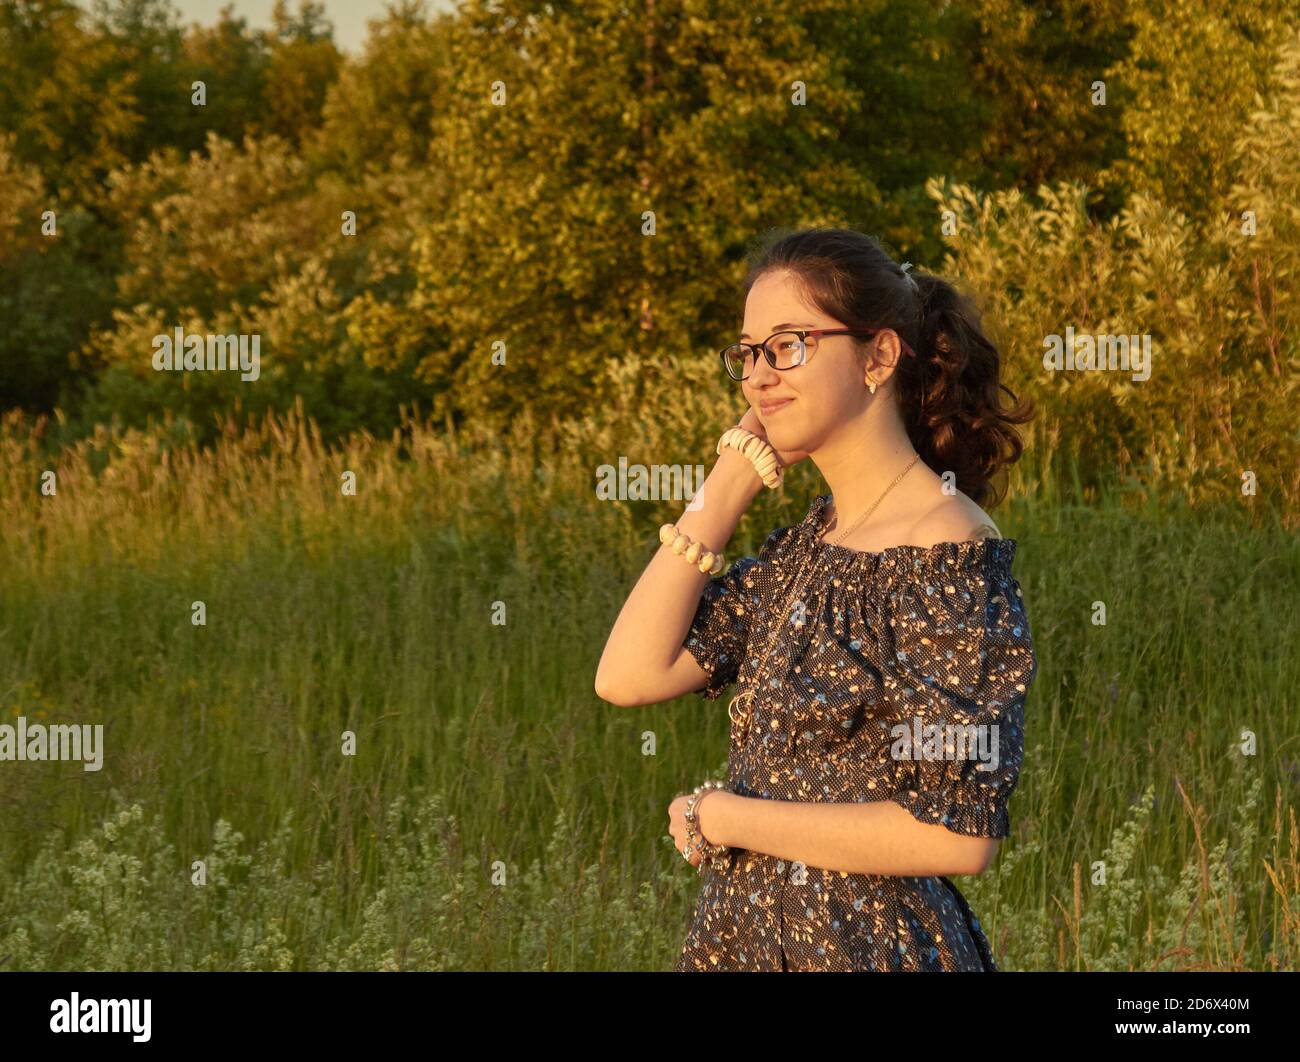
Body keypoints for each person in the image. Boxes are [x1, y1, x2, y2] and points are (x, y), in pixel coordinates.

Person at [594, 226, 1038, 971]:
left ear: (878, 356)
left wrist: (724, 815)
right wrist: (727, 484)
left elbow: (958, 837)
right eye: (748, 352)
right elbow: (629, 675)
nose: (760, 376)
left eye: (789, 344)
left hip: (863, 947)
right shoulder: (809, 546)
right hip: (744, 944)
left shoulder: (945, 551)